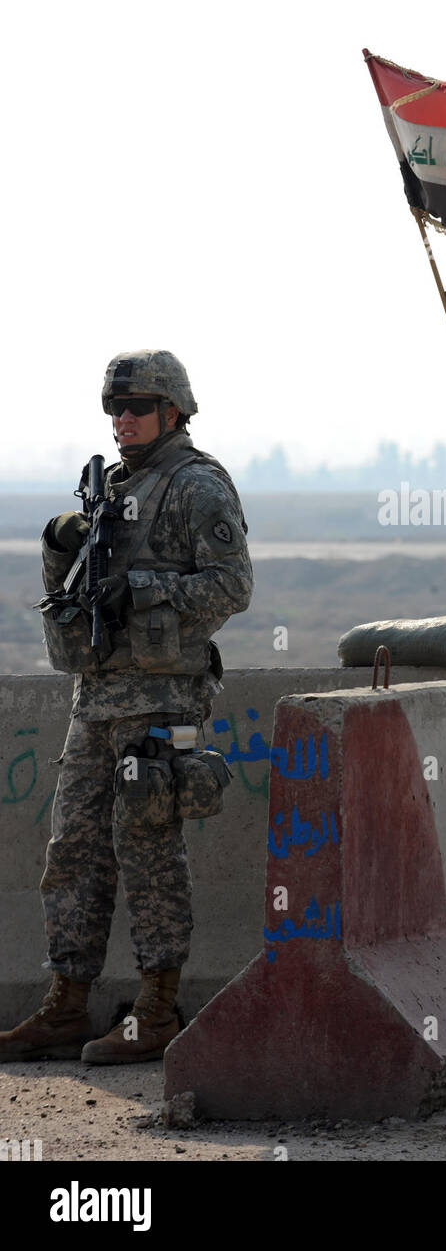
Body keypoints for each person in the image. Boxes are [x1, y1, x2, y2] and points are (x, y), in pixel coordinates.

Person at [0, 350, 253, 1064]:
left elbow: (231, 588)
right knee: (72, 854)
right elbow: (75, 596)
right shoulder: (110, 489)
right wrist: (61, 547)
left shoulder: (197, 485)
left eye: (138, 407)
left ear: (173, 410)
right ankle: (66, 1005)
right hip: (99, 697)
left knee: (147, 852)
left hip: (163, 700)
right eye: (115, 408)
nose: (123, 420)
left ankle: (155, 1009)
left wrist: (142, 590)